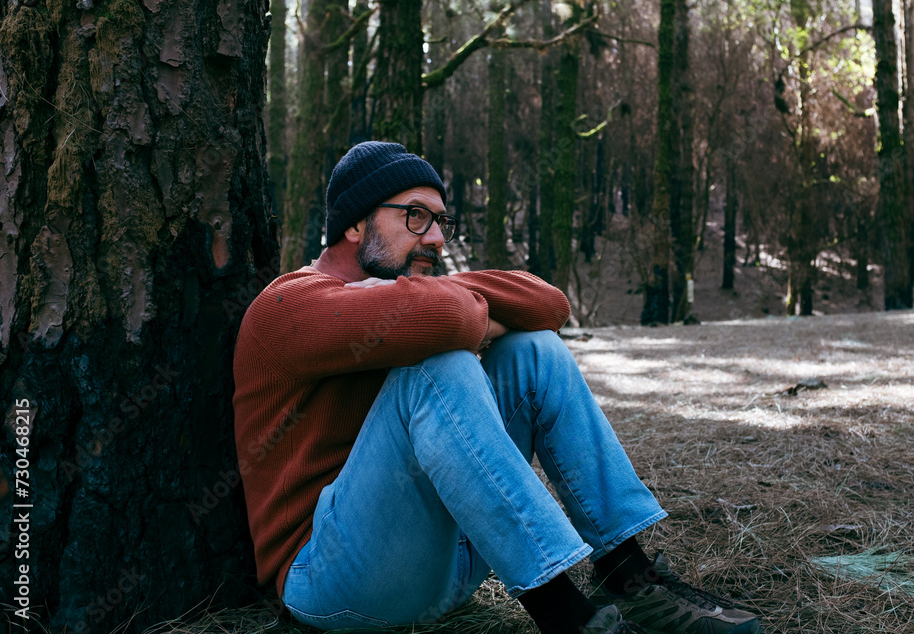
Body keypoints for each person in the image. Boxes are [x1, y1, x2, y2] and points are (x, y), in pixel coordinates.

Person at [233, 141, 760, 634]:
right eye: (416, 215)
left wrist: (445, 307)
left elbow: (549, 305)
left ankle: (629, 574)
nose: (437, 237)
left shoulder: (407, 287)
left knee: (534, 352)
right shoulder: (288, 307)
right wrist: (456, 315)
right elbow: (445, 320)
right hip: (331, 577)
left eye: (441, 222)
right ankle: (565, 617)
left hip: (443, 565)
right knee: (438, 369)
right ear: (354, 223)